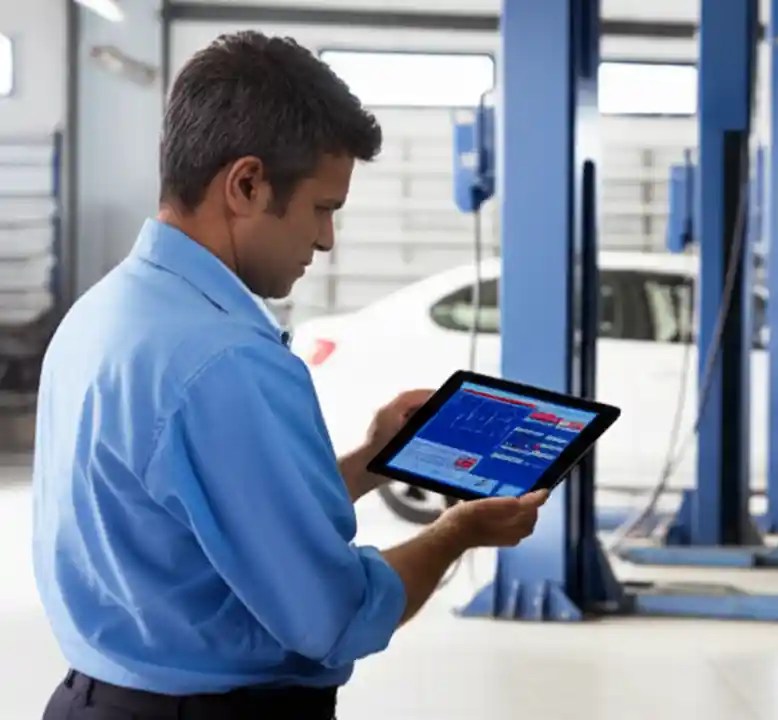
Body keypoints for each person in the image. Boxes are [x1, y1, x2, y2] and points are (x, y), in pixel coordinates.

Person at [32, 31, 548, 719]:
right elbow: (335, 617)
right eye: (322, 208)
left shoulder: (103, 312)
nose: (326, 240)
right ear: (246, 184)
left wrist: (372, 460)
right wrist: (458, 532)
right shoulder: (226, 360)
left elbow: (214, 519)